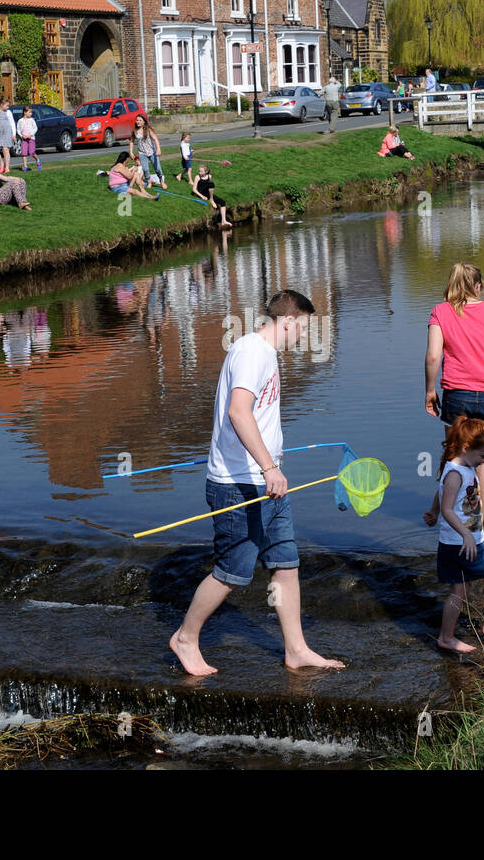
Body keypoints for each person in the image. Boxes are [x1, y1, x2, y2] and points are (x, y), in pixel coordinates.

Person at [169, 290, 345, 677]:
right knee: (231, 572)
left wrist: (272, 465)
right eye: (304, 327)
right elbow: (237, 411)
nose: (304, 335)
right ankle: (185, 637)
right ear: (288, 321)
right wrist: (268, 468)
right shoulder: (253, 353)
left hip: (268, 483)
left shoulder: (263, 353)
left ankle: (296, 649)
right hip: (241, 485)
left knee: (285, 565)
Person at [424, 262, 484, 530]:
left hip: (456, 394)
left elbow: (434, 355)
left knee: (455, 457)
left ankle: (453, 520)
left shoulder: (440, 312)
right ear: (478, 287)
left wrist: (430, 390)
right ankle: (481, 524)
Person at [423, 416, 484, 651]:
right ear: (466, 448)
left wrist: (433, 510)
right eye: (483, 456)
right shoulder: (456, 474)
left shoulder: (462, 466)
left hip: (474, 538)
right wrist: (464, 532)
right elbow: (448, 507)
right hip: (459, 543)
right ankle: (446, 638)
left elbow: (441, 493)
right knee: (461, 590)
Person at [131, 113, 164, 187]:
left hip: (152, 152)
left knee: (157, 168)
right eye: (137, 120)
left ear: (144, 122)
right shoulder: (135, 131)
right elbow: (131, 141)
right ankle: (149, 182)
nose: (138, 122)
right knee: (145, 169)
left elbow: (155, 139)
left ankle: (162, 181)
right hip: (142, 153)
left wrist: (158, 149)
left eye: (140, 120)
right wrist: (131, 152)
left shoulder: (148, 130)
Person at [192, 164, 229, 228]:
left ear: (206, 172)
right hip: (201, 193)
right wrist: (202, 196)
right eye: (199, 171)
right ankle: (211, 200)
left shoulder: (209, 176)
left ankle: (223, 220)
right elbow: (194, 189)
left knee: (223, 202)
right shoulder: (197, 177)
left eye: (201, 171)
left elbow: (209, 188)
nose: (199, 172)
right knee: (211, 184)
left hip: (208, 194)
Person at [17, 105, 39, 171]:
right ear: (25, 112)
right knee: (24, 153)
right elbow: (18, 130)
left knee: (32, 152)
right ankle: (25, 166)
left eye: (31, 112)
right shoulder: (20, 121)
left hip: (31, 139)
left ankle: (38, 160)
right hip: (24, 139)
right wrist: (21, 135)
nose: (31, 114)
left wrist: (30, 134)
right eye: (29, 112)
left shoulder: (32, 120)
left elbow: (35, 128)